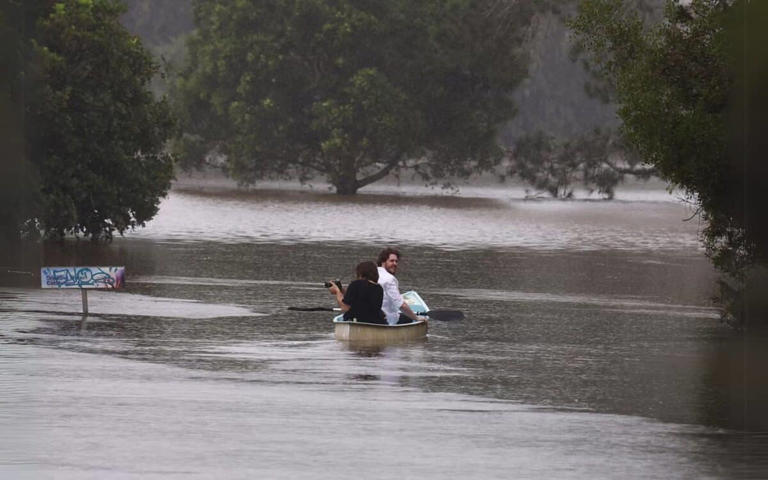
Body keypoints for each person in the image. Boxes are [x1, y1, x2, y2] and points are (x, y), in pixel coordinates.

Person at [376, 247, 423, 325]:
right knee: (408, 318)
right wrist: (416, 318)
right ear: (383, 262)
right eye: (391, 261)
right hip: (387, 319)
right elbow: (402, 306)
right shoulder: (389, 279)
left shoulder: (372, 273)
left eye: (396, 261)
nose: (395, 264)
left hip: (372, 316)